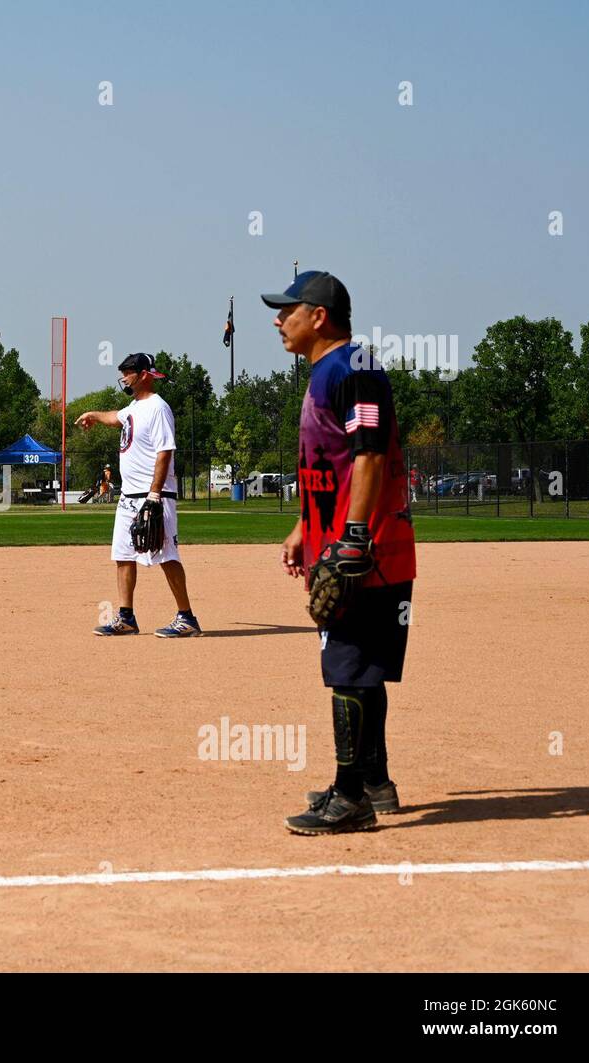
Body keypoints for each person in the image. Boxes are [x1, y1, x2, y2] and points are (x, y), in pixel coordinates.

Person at [263, 271, 417, 835]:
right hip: (344, 542)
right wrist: (307, 525)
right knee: (361, 667)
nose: (279, 320)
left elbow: (369, 453)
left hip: (364, 549)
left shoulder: (353, 368)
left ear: (319, 316)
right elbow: (333, 466)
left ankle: (350, 796)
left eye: (288, 310)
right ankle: (374, 782)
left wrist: (352, 535)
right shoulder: (328, 372)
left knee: (348, 669)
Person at [75, 352, 202, 638]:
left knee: (166, 553)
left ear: (144, 374)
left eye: (128, 373)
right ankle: (126, 618)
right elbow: (115, 418)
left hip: (153, 495)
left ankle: (187, 618)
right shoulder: (133, 408)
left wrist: (155, 494)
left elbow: (165, 451)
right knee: (123, 554)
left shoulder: (159, 408)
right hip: (128, 497)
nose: (124, 378)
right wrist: (94, 415)